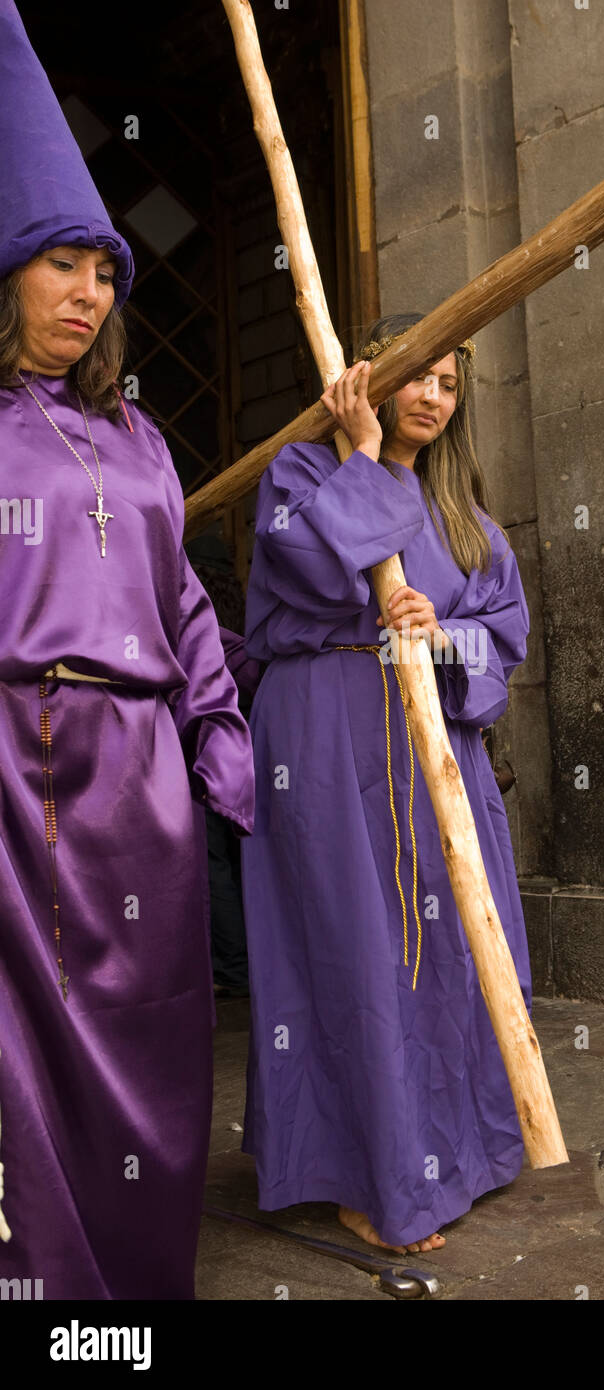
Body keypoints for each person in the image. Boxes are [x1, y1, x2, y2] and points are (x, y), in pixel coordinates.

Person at [0, 0, 255, 1298]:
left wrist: (220, 736)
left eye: (106, 271)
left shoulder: (145, 442)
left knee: (153, 1050)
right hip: (17, 770)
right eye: (61, 262)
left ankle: (143, 1296)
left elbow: (187, 602)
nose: (90, 290)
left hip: (144, 780)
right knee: (25, 1063)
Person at [241, 312, 532, 1255]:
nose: (433, 398)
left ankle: (460, 1151)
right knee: (352, 947)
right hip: (325, 738)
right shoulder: (299, 473)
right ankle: (366, 1172)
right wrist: (360, 455)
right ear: (367, 376)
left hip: (434, 747)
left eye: (449, 384)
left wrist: (443, 637)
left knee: (447, 952)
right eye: (416, 376)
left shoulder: (468, 521)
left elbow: (506, 635)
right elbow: (321, 573)